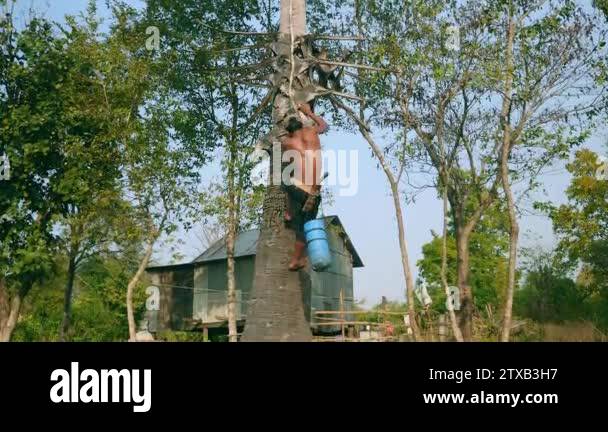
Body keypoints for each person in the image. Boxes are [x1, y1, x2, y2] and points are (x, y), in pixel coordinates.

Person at [281, 102, 328, 271]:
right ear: (302, 125)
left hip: (296, 189)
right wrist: (308, 112)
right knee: (306, 226)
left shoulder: (287, 142)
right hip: (311, 192)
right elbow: (324, 125)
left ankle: (288, 212)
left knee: (285, 178)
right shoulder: (313, 132)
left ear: (289, 131)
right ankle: (296, 260)